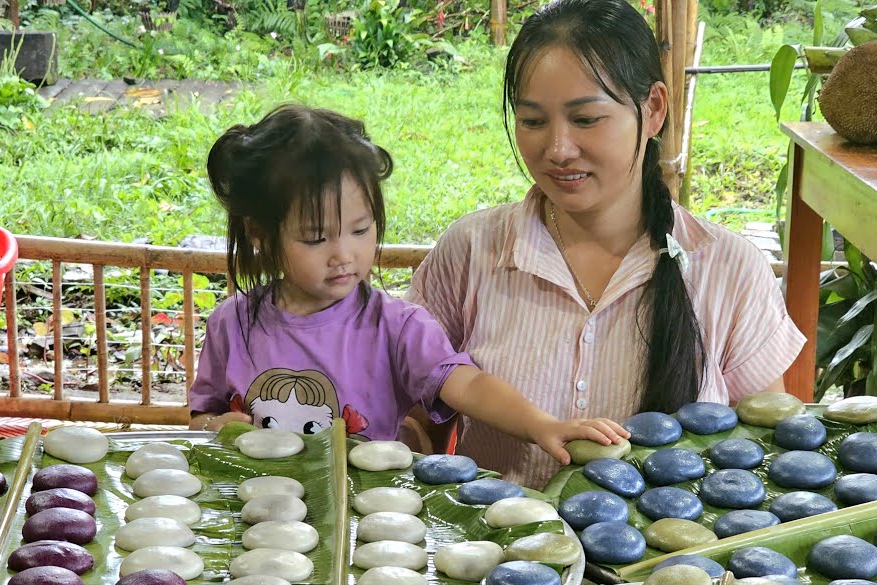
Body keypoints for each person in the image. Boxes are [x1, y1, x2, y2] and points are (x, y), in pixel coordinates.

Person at [405, 0, 806, 489]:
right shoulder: (470, 251)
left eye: (587, 119)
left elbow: (763, 455)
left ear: (653, 109)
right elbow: (417, 418)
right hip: (495, 537)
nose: (558, 150)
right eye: (533, 121)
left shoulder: (729, 270)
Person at [188, 104, 628, 465]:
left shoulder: (396, 326)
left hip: (366, 524)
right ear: (260, 235)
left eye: (361, 230)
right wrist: (214, 426)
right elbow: (201, 417)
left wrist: (541, 425)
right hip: (257, 514)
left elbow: (468, 385)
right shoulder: (231, 324)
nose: (344, 255)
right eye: (316, 238)